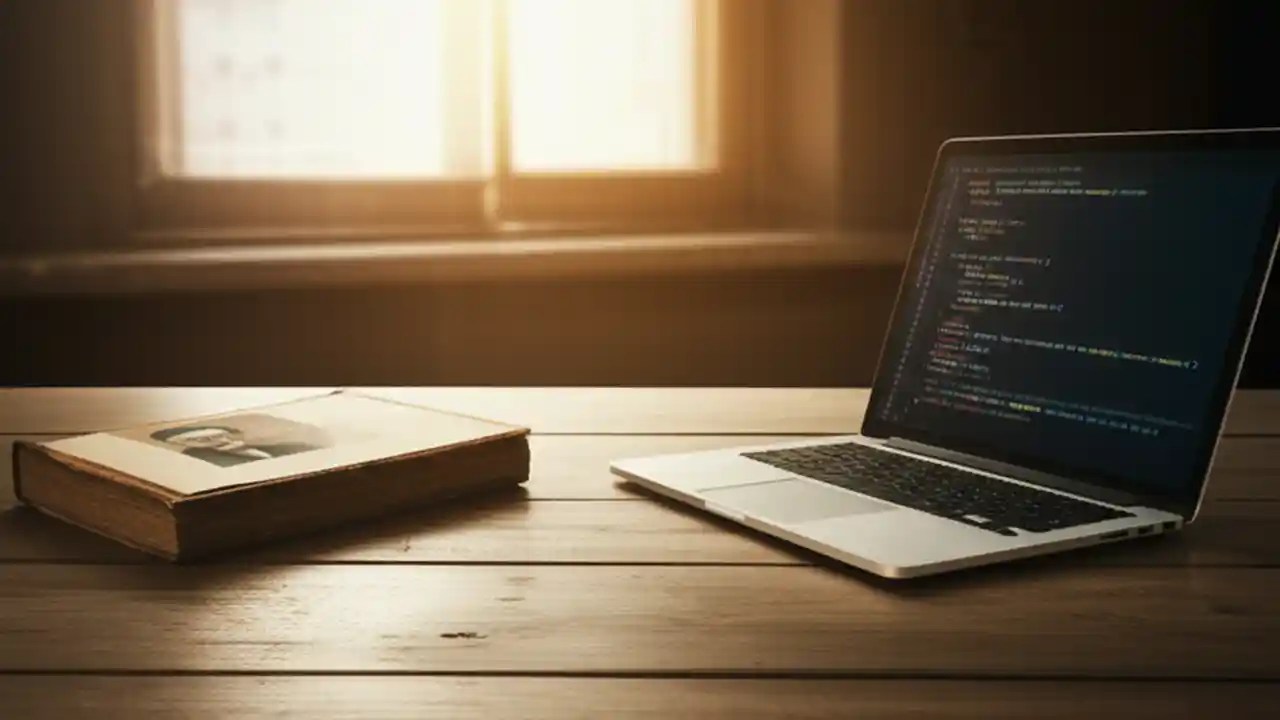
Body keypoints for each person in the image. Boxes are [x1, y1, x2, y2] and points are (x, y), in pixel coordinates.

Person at [150, 424, 319, 467]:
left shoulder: (289, 444)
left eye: (217, 435)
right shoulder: (198, 458)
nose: (218, 441)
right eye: (201, 441)